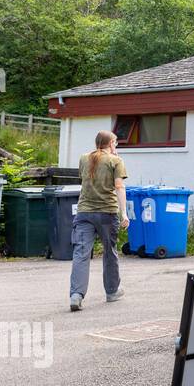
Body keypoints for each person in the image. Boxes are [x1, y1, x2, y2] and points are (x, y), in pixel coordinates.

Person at [69, 130, 129, 311]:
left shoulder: (83, 158)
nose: (116, 146)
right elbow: (119, 187)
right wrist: (124, 213)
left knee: (81, 254)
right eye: (115, 143)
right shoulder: (116, 161)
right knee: (110, 252)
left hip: (84, 213)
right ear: (110, 143)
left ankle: (76, 295)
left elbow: (85, 180)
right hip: (107, 213)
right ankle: (112, 291)